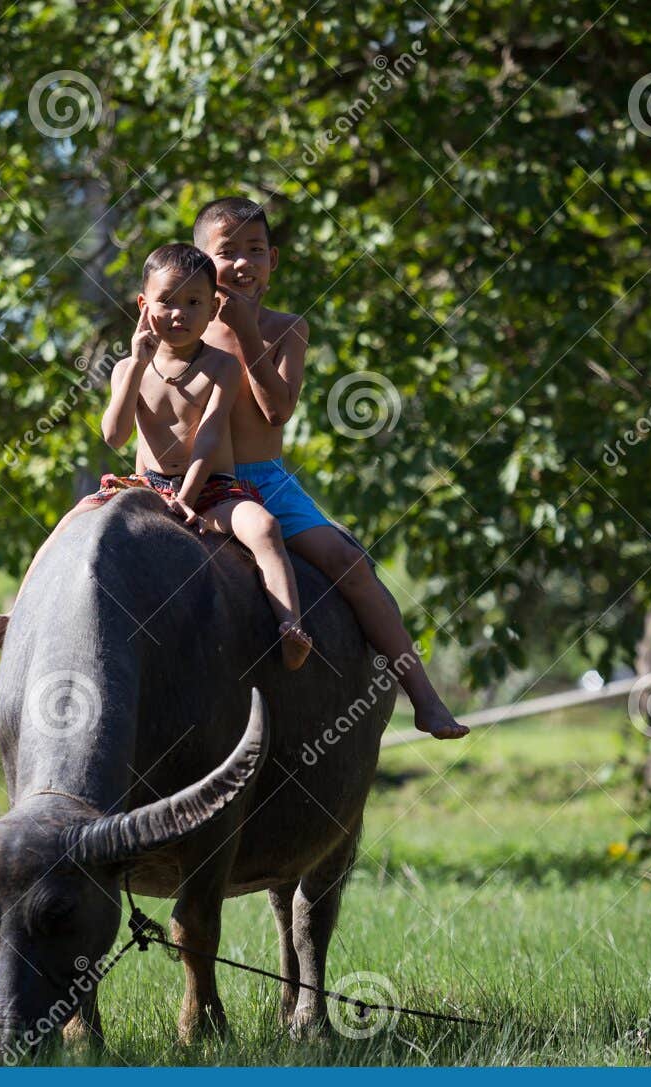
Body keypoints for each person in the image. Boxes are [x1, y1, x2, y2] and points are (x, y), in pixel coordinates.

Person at [192, 195, 469, 738]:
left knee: (349, 562)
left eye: (255, 250)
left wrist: (248, 334)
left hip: (265, 482)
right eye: (227, 252)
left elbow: (277, 409)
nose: (243, 263)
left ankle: (424, 696)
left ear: (274, 260)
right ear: (202, 262)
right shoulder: (186, 329)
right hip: (197, 480)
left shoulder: (286, 329)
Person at [0, 242, 312, 670]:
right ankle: (17, 620)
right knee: (67, 527)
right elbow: (114, 436)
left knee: (263, 528)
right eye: (166, 301)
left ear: (211, 310)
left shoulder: (221, 366)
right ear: (143, 305)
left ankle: (290, 627)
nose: (179, 314)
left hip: (211, 489)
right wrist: (133, 366)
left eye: (193, 303)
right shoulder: (127, 369)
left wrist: (187, 496)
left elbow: (207, 437)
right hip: (146, 485)